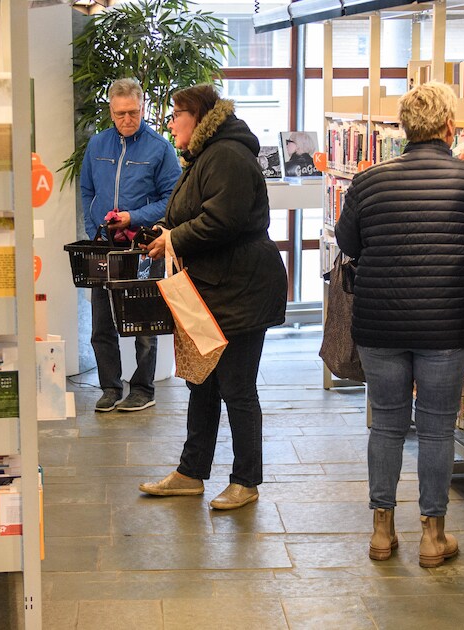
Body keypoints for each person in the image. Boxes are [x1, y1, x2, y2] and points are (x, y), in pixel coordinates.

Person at [333, 82, 464, 567]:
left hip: (380, 323)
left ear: (405, 129)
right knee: (435, 427)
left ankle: (382, 532)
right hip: (447, 325)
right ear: (449, 127)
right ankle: (433, 536)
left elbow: (349, 242)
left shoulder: (367, 182)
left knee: (385, 424)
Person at [138, 84, 287, 510]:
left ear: (199, 117)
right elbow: (191, 213)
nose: (170, 123)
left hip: (242, 288)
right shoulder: (207, 155)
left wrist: (175, 238)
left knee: (237, 386)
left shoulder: (227, 155)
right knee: (201, 382)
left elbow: (222, 220)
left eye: (176, 115)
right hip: (216, 286)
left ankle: (245, 480)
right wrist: (162, 235)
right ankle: (191, 472)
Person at [79, 77, 181, 413]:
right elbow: (87, 192)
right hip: (104, 248)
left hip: (144, 247)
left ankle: (143, 388)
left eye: (133, 113)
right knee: (101, 322)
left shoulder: (160, 148)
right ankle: (109, 387)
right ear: (111, 111)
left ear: (143, 108)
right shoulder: (97, 146)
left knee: (144, 323)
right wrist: (97, 230)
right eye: (120, 113)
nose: (127, 120)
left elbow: (172, 200)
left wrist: (133, 217)